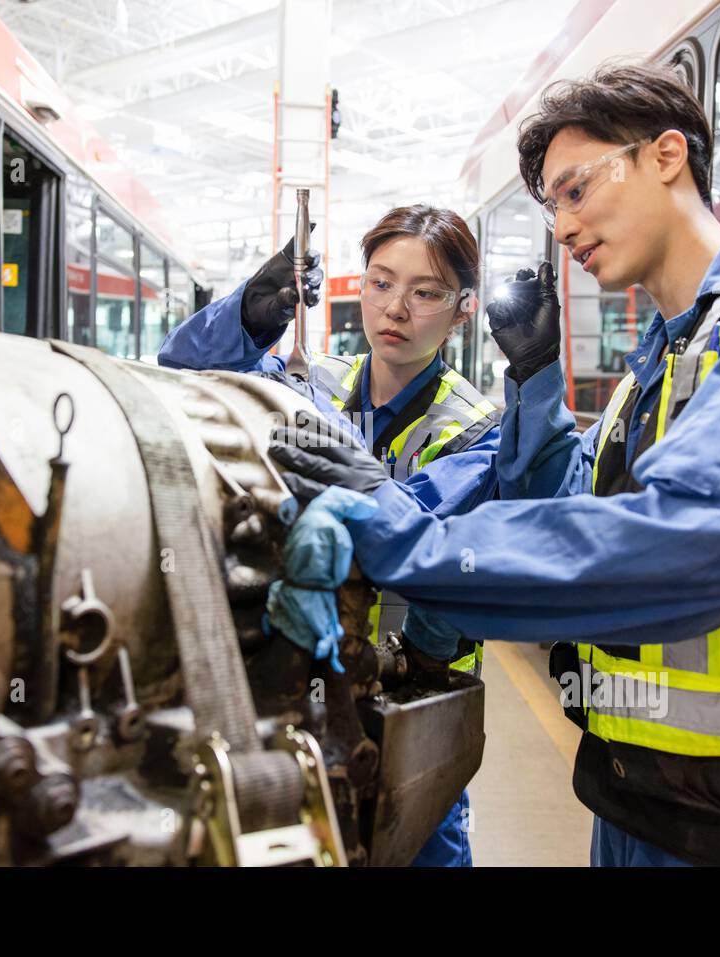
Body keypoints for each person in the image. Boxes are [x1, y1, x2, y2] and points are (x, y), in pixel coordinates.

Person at [268, 63, 720, 867]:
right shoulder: (650, 373)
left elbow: (703, 533)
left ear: (666, 156)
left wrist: (398, 537)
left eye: (575, 190)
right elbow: (564, 516)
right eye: (551, 207)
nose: (562, 227)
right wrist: (537, 377)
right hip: (638, 808)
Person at [159, 204, 500, 867]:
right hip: (286, 693)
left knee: (417, 842)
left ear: (463, 309)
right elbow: (184, 378)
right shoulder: (311, 382)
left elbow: (430, 543)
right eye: (380, 281)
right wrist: (249, 317)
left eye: (425, 292)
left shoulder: (480, 430)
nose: (394, 308)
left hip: (410, 706)